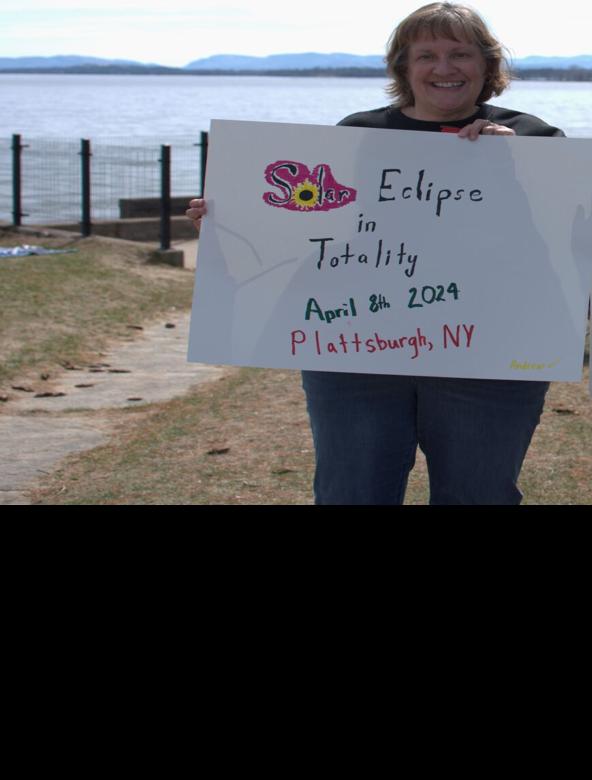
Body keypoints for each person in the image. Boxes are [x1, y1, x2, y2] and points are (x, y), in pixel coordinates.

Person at [186, 3, 567, 505]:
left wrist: (520, 167)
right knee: (352, 494)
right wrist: (232, 221)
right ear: (404, 68)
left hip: (488, 360)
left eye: (460, 54)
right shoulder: (358, 134)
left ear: (486, 65)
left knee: (478, 495)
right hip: (358, 355)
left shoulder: (534, 139)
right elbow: (314, 234)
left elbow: (565, 245)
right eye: (426, 55)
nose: (444, 67)